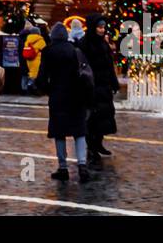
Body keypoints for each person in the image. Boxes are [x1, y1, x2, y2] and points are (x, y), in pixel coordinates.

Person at [36, 22, 90, 182]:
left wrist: (47, 90)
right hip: (76, 96)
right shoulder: (75, 51)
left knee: (59, 132)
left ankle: (63, 167)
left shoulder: (48, 51)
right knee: (79, 131)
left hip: (58, 96)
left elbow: (42, 77)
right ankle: (82, 165)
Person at [78, 17, 119, 162]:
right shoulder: (85, 43)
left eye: (103, 27)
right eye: (99, 27)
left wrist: (114, 82)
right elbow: (81, 66)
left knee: (104, 116)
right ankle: (91, 147)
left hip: (104, 86)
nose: (102, 30)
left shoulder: (103, 43)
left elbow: (109, 65)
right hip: (91, 86)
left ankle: (98, 143)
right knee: (92, 119)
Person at [21, 21, 47, 94]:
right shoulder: (40, 40)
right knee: (35, 74)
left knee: (30, 73)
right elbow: (45, 49)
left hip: (28, 59)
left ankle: (26, 88)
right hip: (37, 59)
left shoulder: (27, 40)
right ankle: (31, 86)